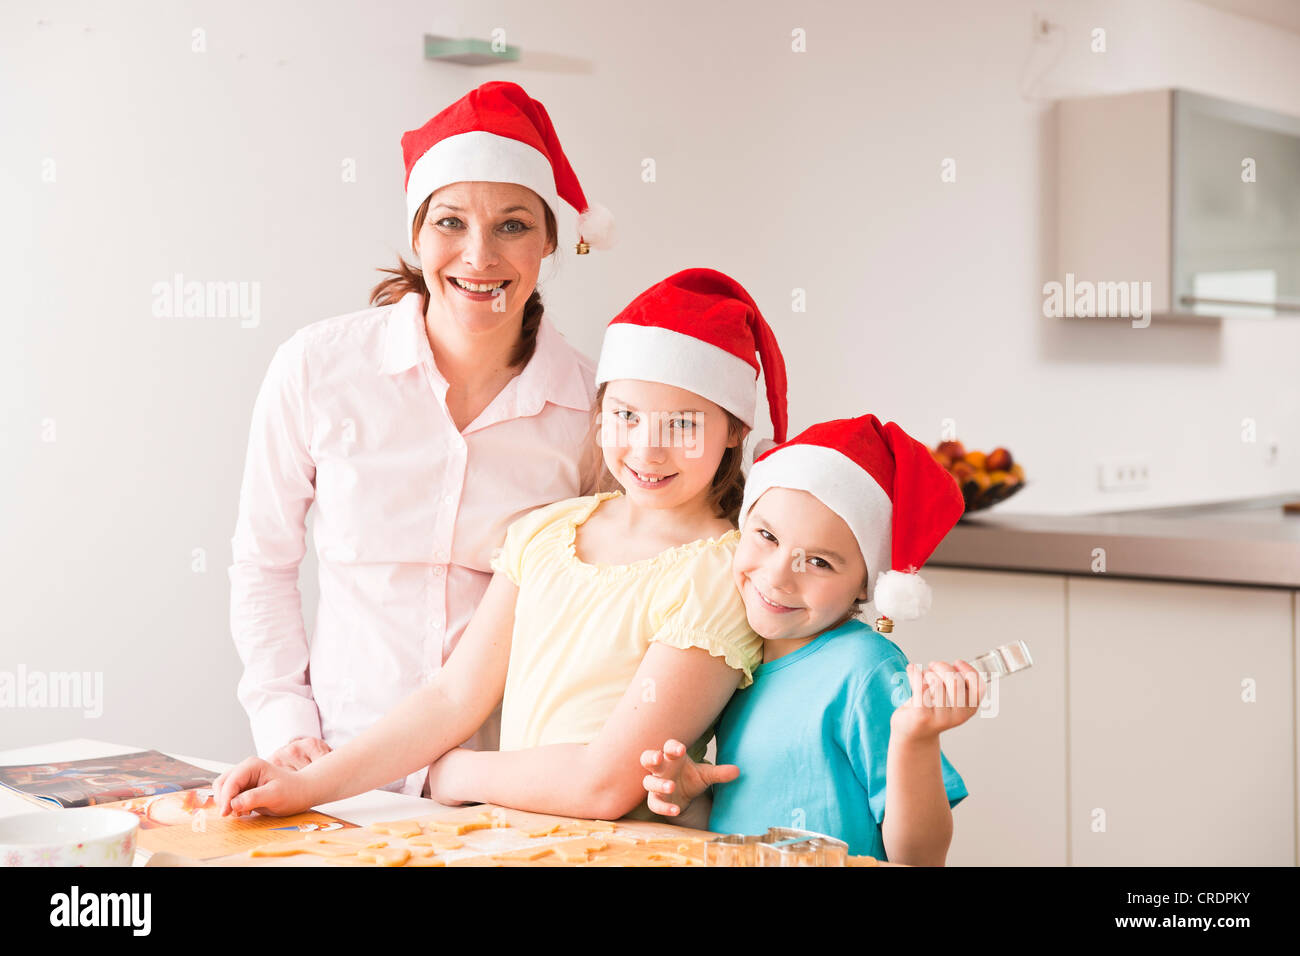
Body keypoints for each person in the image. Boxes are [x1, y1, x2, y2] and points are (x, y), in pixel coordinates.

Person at [213, 268, 787, 822]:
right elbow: (450, 699)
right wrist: (306, 784)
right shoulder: (547, 532)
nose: (648, 449)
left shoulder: (721, 574)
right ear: (599, 412)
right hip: (504, 840)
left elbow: (603, 784)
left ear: (735, 430)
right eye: (626, 416)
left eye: (682, 425)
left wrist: (454, 774)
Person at [228, 80, 613, 798]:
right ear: (415, 232)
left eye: (513, 225)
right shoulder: (317, 369)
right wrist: (287, 730)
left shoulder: (596, 413)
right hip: (330, 774)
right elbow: (262, 563)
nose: (478, 257)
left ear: (551, 240)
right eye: (450, 222)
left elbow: (610, 602)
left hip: (501, 788)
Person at [640, 414, 981, 864]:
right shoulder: (738, 657)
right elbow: (752, 835)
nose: (778, 576)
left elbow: (920, 857)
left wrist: (913, 740)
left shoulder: (865, 668)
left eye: (818, 562)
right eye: (766, 536)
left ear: (866, 587)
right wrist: (688, 805)